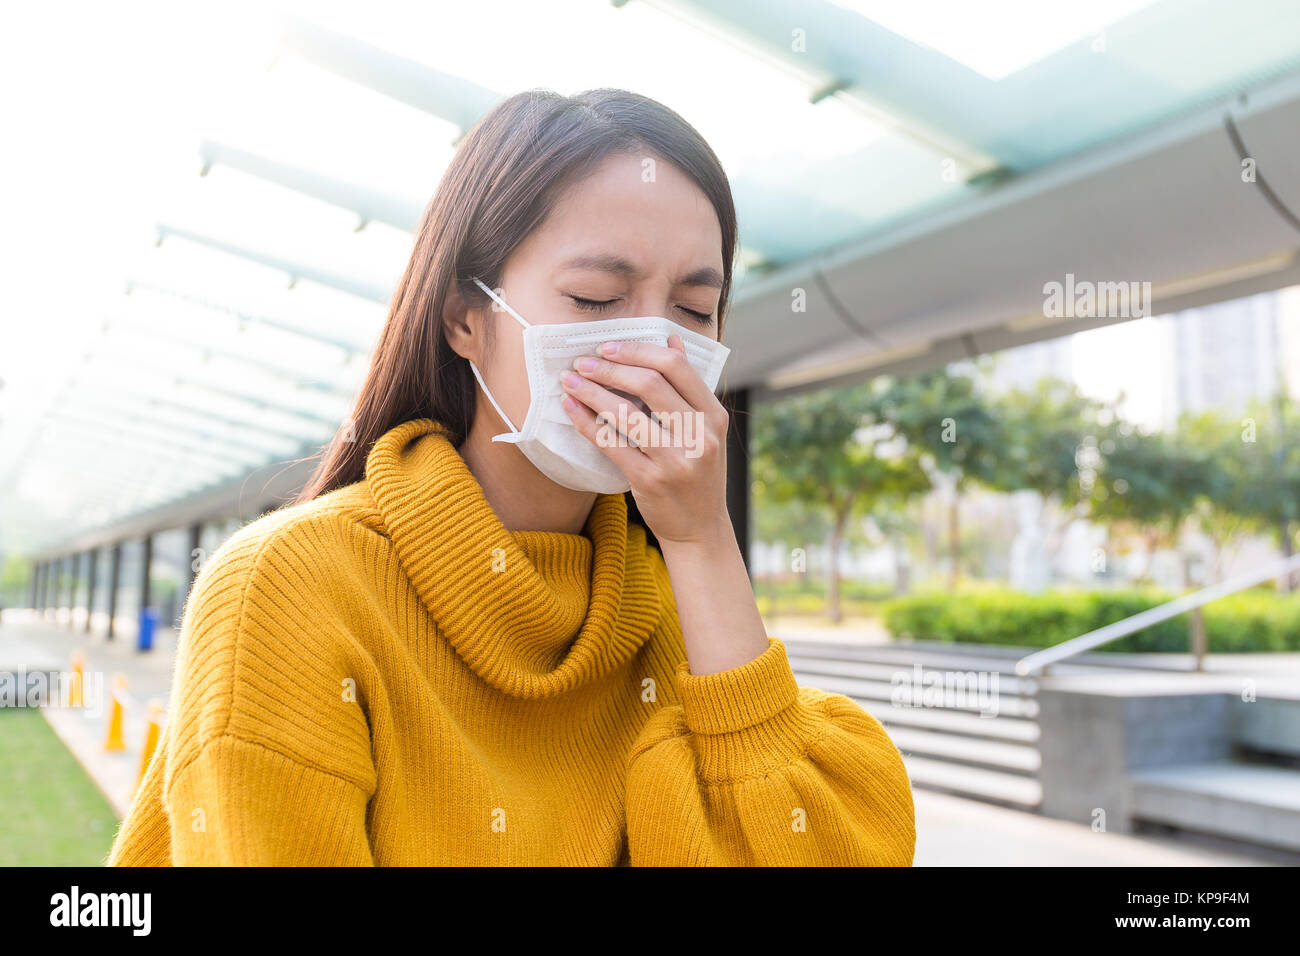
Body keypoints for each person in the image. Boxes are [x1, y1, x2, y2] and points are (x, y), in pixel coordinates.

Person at [106, 88, 915, 866]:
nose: (655, 350)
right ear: (466, 318)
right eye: (596, 297)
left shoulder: (681, 612)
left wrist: (704, 544)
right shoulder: (288, 589)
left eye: (694, 310)